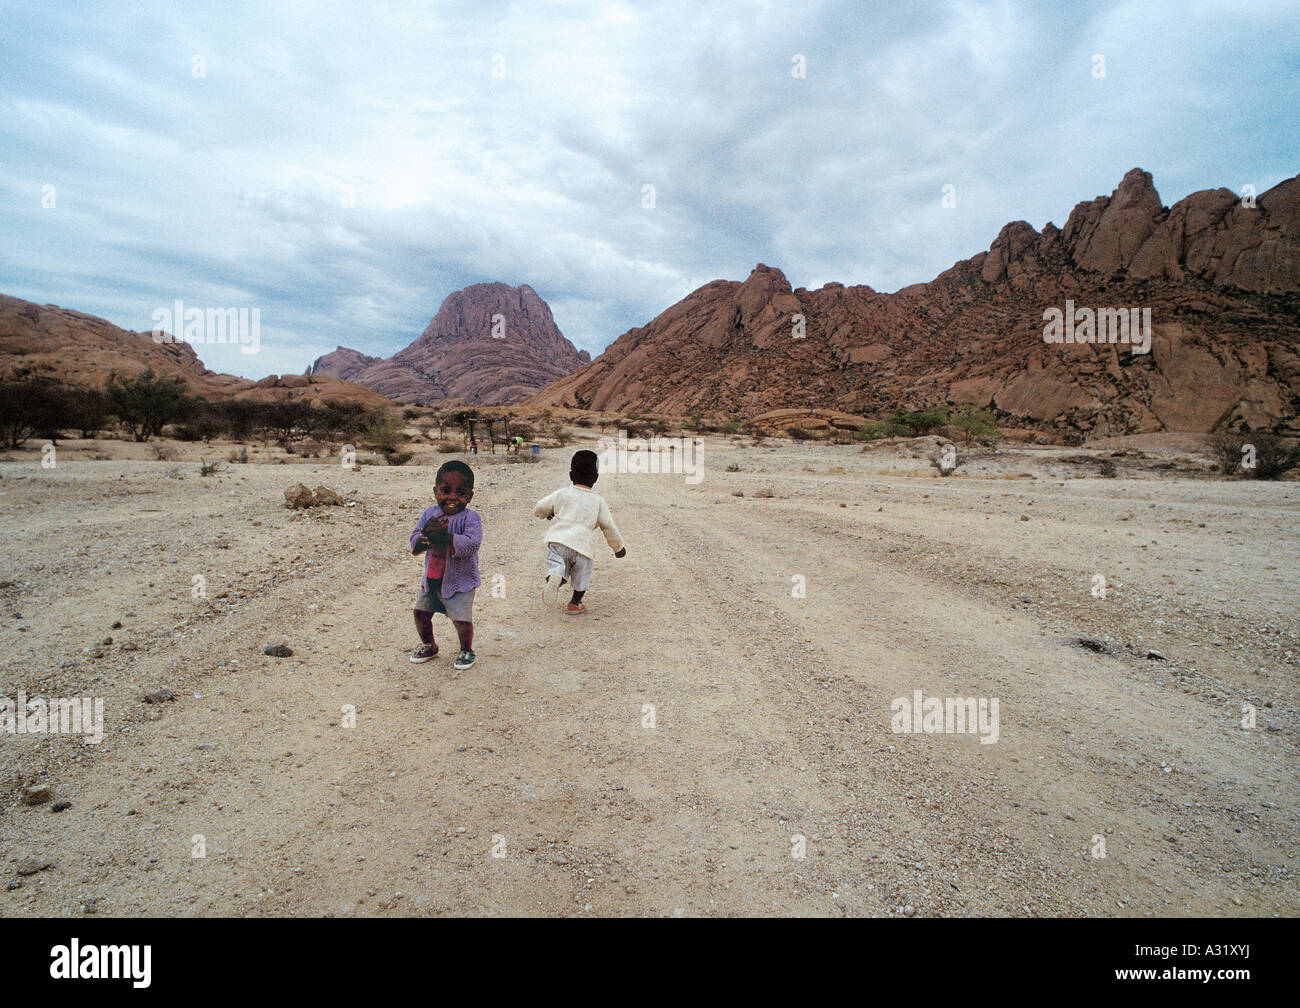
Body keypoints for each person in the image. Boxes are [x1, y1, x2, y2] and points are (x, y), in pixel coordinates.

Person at [533, 449, 626, 614]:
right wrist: (618, 548)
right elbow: (608, 526)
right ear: (596, 478)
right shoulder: (598, 501)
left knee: (558, 565)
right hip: (583, 545)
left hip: (559, 540)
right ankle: (574, 603)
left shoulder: (562, 493)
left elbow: (540, 507)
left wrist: (545, 514)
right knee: (582, 575)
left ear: (571, 475)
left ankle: (556, 577)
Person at [409, 460, 481, 669]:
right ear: (435, 491)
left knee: (461, 619)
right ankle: (429, 645)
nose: (452, 497)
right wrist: (421, 541)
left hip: (460, 583)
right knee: (421, 613)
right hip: (432, 580)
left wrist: (446, 538)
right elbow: (415, 535)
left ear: (470, 496)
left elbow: (472, 544)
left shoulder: (471, 518)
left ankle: (467, 650)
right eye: (445, 490)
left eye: (461, 492)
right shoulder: (429, 514)